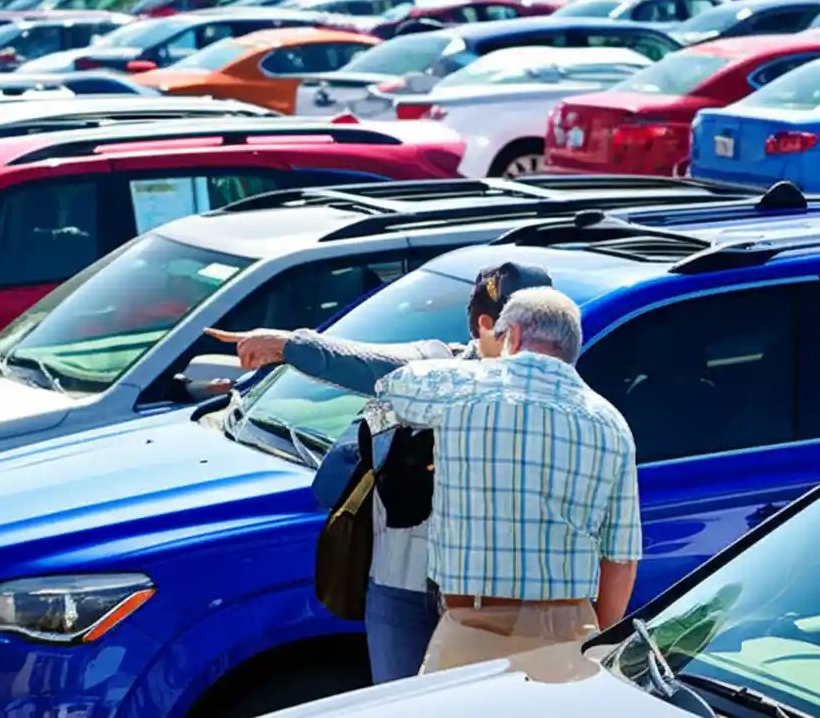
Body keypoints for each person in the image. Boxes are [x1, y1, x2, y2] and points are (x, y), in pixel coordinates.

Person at [205, 262, 555, 684]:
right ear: (485, 324)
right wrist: (287, 346)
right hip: (400, 586)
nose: (539, 341)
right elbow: (369, 363)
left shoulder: (565, 402)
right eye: (528, 324)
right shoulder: (437, 366)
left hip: (492, 600)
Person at [373, 287, 641, 674]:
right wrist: (593, 644)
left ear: (512, 335)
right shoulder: (612, 425)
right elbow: (622, 559)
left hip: (474, 626)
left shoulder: (458, 387)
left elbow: (386, 390)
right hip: (570, 631)